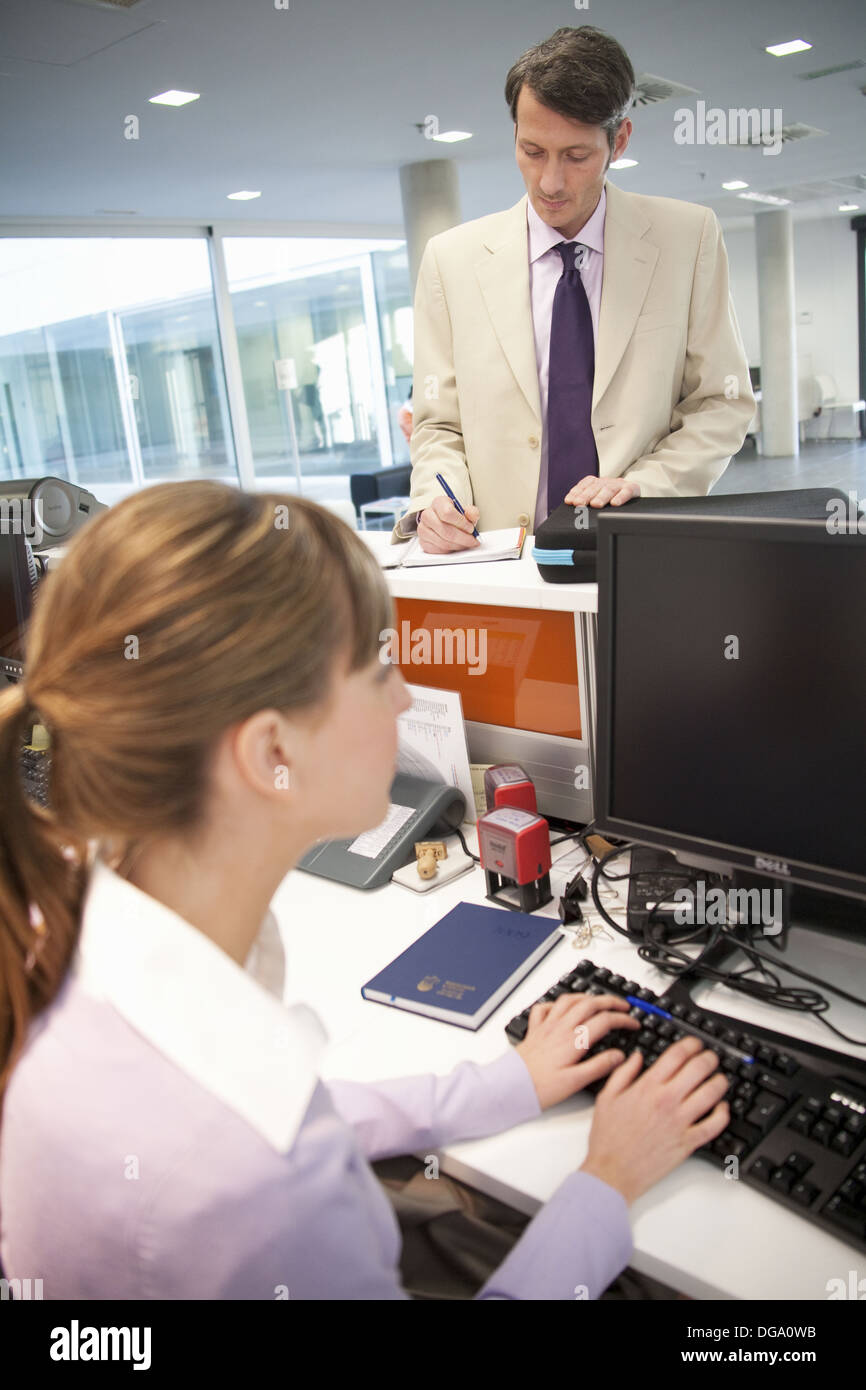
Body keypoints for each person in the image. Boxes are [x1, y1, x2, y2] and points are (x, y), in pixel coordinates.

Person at [0, 482, 730, 1299]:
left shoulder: (69, 935)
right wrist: (606, 1180)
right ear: (271, 750)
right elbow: (257, 1146)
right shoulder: (262, 1189)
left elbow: (286, 1104)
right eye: (380, 667)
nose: (408, 696)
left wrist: (501, 1087)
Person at [396, 25, 755, 555]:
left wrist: (645, 484)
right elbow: (438, 425)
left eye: (576, 156)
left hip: (641, 547)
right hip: (503, 565)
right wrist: (433, 504)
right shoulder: (450, 262)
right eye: (532, 150)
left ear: (620, 139)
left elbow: (721, 404)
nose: (551, 182)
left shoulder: (688, 239)